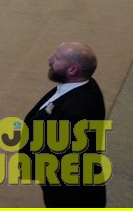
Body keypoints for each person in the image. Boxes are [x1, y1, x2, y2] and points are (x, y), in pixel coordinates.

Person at [20, 42, 107, 207]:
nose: (50, 59)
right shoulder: (85, 84)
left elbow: (71, 165)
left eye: (57, 58)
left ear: (72, 70)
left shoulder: (75, 113)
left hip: (69, 194)